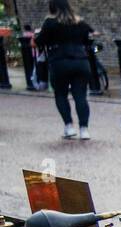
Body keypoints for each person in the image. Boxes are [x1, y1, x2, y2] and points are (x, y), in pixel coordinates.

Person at [36, 1, 94, 140]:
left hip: (59, 62)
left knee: (61, 94)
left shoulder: (50, 23)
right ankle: (84, 129)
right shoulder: (80, 22)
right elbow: (90, 41)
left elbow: (40, 42)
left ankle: (69, 127)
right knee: (80, 96)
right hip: (81, 62)